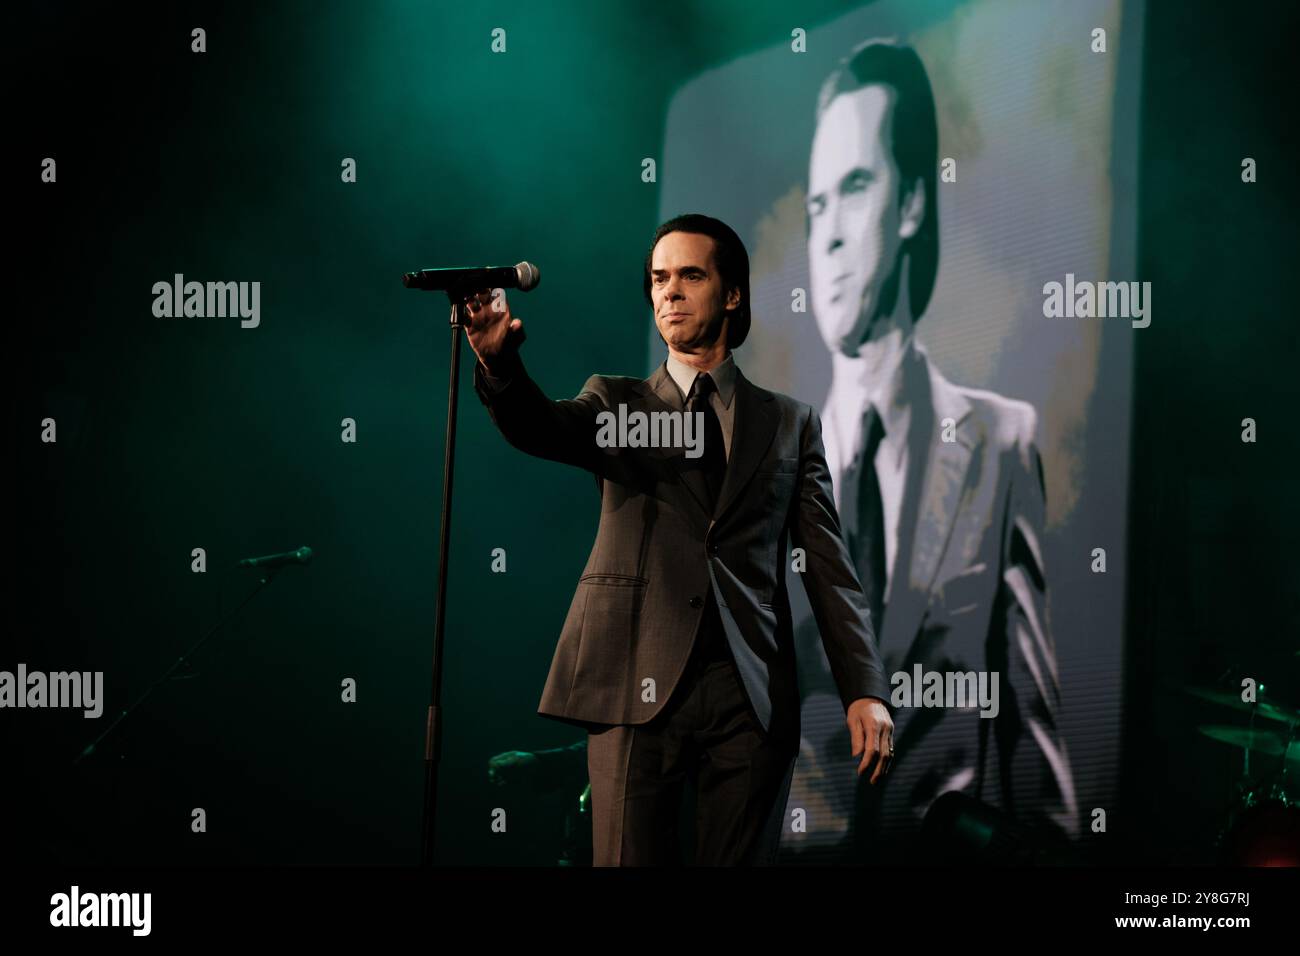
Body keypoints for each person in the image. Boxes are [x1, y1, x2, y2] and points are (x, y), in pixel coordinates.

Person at [466, 213, 894, 865]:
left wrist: (864, 688)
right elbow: (541, 428)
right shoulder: (615, 403)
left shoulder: (790, 424)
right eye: (659, 278)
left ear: (732, 293)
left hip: (747, 693)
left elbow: (830, 569)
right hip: (633, 675)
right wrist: (500, 365)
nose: (669, 291)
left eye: (690, 275)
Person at [799, 39, 1079, 860]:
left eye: (855, 188)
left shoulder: (1000, 446)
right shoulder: (772, 463)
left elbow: (1038, 756)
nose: (832, 238)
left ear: (913, 202)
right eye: (816, 206)